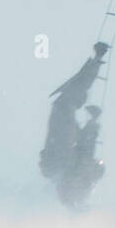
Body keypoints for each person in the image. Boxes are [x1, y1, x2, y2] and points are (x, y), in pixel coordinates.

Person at [39, 43, 107, 181]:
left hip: (59, 161)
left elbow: (83, 140)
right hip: (59, 161)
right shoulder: (65, 121)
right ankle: (98, 57)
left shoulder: (64, 121)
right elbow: (84, 141)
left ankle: (98, 57)